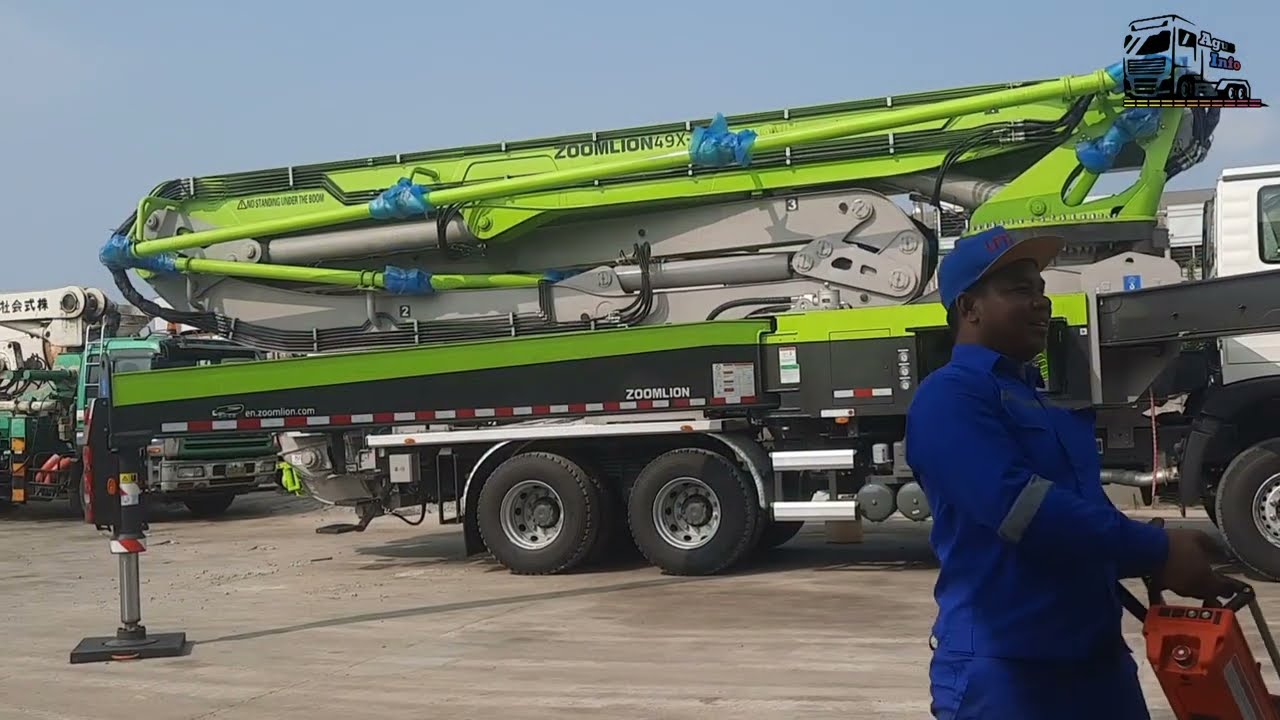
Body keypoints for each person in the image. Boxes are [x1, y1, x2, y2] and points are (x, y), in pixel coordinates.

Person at [905, 225, 1237, 719]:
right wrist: (1158, 548)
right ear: (969, 307)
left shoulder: (1038, 401)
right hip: (1009, 672)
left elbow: (1081, 516)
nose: (1041, 302)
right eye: (1020, 290)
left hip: (1096, 662)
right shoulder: (948, 397)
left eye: (1041, 290)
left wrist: (1160, 556)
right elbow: (1021, 510)